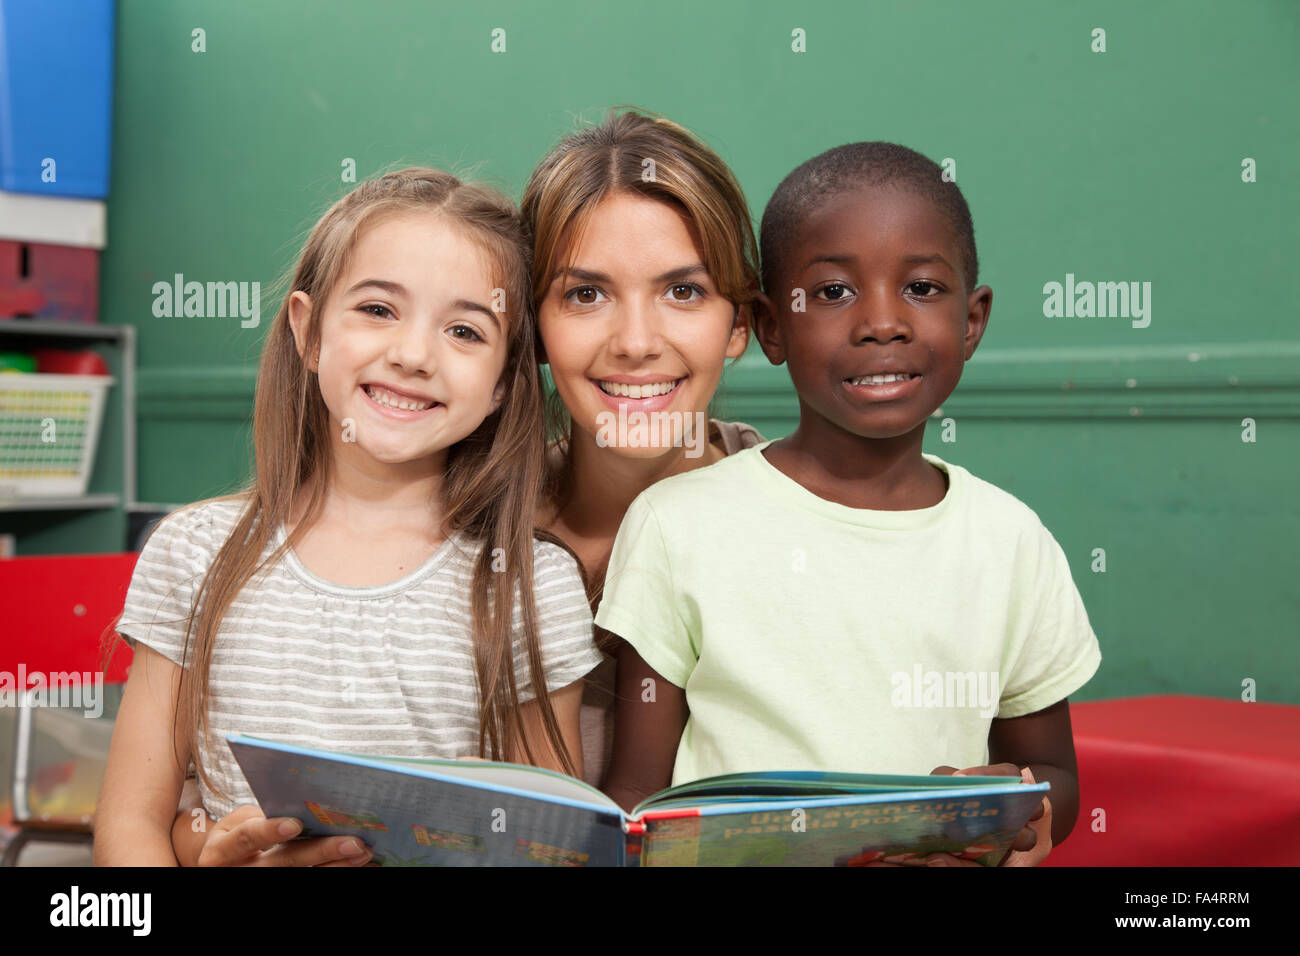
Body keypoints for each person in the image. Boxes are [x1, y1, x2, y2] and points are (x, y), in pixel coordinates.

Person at [598, 142, 1102, 866]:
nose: (882, 323)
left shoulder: (1011, 542)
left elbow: (1056, 777)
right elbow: (637, 801)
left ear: (973, 320)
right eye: (833, 293)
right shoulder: (677, 526)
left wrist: (1008, 805)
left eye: (923, 289)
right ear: (771, 325)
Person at [95, 167, 603, 866]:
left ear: (502, 386)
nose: (413, 355)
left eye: (463, 330)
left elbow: (551, 848)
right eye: (377, 310)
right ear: (308, 330)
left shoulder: (532, 585)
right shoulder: (193, 552)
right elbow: (129, 828)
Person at [520, 107, 766, 787]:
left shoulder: (799, 528)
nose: (635, 341)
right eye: (586, 293)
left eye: (683, 291)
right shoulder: (464, 523)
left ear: (739, 322)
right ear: (534, 326)